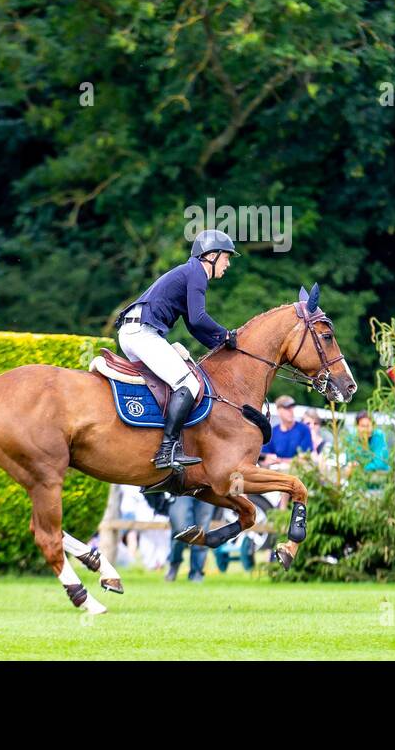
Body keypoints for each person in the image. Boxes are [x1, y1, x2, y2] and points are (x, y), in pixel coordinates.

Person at [115, 229, 239, 470]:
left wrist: (219, 346)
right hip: (141, 333)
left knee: (169, 384)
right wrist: (225, 334)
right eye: (226, 257)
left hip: (132, 332)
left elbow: (193, 325)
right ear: (211, 255)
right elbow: (199, 317)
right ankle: (167, 449)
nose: (228, 264)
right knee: (188, 384)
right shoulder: (197, 273)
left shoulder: (190, 272)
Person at [166, 495, 215, 582]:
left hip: (208, 488)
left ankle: (197, 573)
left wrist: (238, 490)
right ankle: (174, 562)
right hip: (182, 489)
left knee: (202, 532)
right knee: (180, 529)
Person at [261, 396, 313, 465]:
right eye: (287, 408)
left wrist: (280, 461)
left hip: (298, 473)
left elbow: (305, 459)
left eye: (292, 407)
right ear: (278, 410)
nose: (290, 411)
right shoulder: (272, 432)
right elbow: (264, 459)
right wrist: (268, 459)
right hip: (276, 472)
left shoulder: (304, 429)